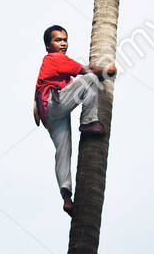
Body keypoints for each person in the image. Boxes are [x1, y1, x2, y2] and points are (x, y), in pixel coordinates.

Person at [34, 24, 116, 216]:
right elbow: (87, 70)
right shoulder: (54, 58)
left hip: (51, 115)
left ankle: (66, 198)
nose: (63, 43)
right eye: (57, 40)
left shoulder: (51, 65)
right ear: (48, 46)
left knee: (63, 151)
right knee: (89, 80)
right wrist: (108, 70)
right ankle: (88, 122)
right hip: (53, 103)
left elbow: (40, 85)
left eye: (64, 39)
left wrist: (35, 106)